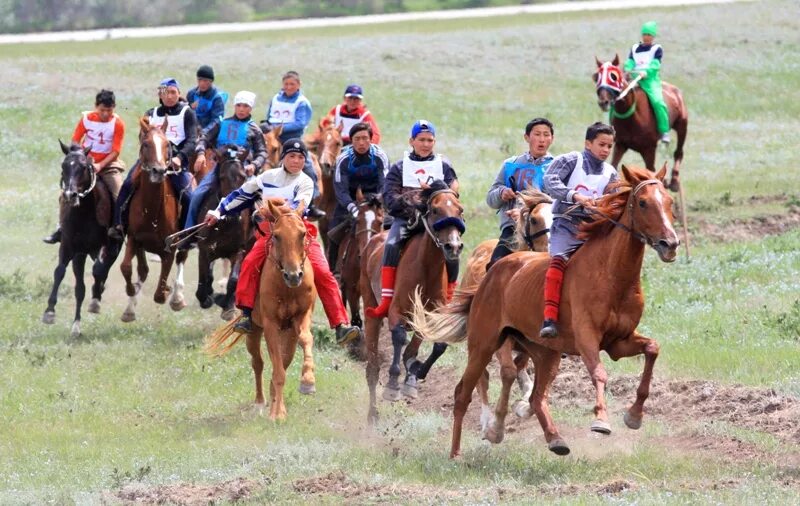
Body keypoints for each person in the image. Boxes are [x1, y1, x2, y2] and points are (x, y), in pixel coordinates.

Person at [203, 138, 360, 345]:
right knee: (249, 263)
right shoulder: (267, 177)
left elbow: (299, 206)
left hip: (298, 233)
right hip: (271, 233)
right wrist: (218, 212)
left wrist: (271, 209)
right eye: (292, 156)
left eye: (301, 157)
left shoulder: (305, 181)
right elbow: (241, 194)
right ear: (283, 158)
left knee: (324, 272)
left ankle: (340, 325)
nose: (296, 161)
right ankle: (247, 315)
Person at [365, 120, 459, 319]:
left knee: (453, 247)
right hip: (406, 219)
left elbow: (453, 189)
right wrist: (415, 200)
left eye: (430, 140)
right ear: (412, 141)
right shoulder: (399, 167)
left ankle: (449, 298)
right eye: (421, 140)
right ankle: (387, 299)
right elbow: (389, 198)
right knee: (391, 244)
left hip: (437, 221)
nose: (426, 144)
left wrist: (438, 192)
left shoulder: (444, 165)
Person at [539, 122, 619, 338]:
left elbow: (616, 200)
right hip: (566, 224)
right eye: (601, 144)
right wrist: (574, 196)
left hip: (594, 229)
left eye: (609, 146)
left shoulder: (611, 173)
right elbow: (549, 180)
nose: (606, 150)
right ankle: (549, 318)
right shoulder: (571, 160)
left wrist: (602, 205)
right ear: (588, 143)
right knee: (558, 260)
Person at [109, 78, 197, 240]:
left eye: (173, 92)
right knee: (127, 186)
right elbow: (142, 139)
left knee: (189, 197)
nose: (169, 96)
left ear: (179, 94)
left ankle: (186, 235)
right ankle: (119, 225)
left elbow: (192, 140)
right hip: (150, 161)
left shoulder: (187, 113)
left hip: (175, 164)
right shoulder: (151, 114)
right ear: (160, 95)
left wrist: (179, 157)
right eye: (166, 93)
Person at [44, 89, 126, 244]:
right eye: (102, 110)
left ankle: (118, 227)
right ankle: (61, 228)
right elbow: (75, 141)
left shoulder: (118, 123)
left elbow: (116, 151)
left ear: (114, 108)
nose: (105, 114)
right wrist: (81, 158)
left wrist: (100, 165)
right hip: (85, 163)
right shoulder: (86, 119)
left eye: (109, 110)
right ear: (96, 106)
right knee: (66, 193)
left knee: (119, 193)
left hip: (108, 165)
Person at [182, 90, 267, 238]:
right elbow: (204, 138)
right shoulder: (221, 123)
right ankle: (189, 233)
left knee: (259, 203)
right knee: (197, 194)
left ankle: (258, 237)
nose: (241, 109)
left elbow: (262, 152)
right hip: (220, 168)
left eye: (245, 106)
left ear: (251, 108)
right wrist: (201, 153)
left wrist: (254, 165)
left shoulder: (254, 129)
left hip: (243, 170)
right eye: (239, 105)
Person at [485, 117, 555, 269]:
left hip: (545, 229)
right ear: (527, 137)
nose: (542, 139)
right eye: (537, 134)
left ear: (552, 139)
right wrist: (501, 193)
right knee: (494, 266)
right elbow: (490, 199)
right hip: (513, 230)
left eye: (546, 135)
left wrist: (524, 214)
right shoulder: (510, 165)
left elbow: (558, 201)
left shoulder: (557, 167)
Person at [262, 71, 324, 220]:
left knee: (307, 165)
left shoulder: (302, 102)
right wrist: (268, 126)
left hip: (293, 139)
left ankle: (311, 203)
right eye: (286, 84)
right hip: (273, 136)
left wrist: (279, 127)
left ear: (298, 85)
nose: (289, 87)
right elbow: (269, 116)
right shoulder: (275, 98)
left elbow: (300, 124)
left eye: (292, 84)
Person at [328, 122, 389, 269]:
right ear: (351, 141)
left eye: (365, 138)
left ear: (371, 139)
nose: (361, 143)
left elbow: (385, 184)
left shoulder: (380, 156)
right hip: (349, 200)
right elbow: (341, 190)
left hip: (375, 198)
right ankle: (332, 271)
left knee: (392, 227)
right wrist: (353, 208)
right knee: (333, 234)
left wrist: (378, 200)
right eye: (357, 139)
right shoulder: (343, 159)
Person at [623, 21, 670, 144]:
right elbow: (630, 61)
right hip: (634, 78)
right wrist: (627, 69)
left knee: (658, 102)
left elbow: (655, 64)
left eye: (649, 34)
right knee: (619, 97)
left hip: (650, 80)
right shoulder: (635, 48)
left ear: (653, 36)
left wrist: (646, 72)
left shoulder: (657, 49)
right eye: (645, 34)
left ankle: (664, 131)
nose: (646, 37)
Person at [186, 65, 227, 137]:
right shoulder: (191, 94)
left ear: (211, 81)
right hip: (192, 131)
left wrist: (204, 133)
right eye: (199, 80)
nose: (202, 83)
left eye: (205, 81)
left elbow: (217, 121)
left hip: (208, 135)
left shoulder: (217, 98)